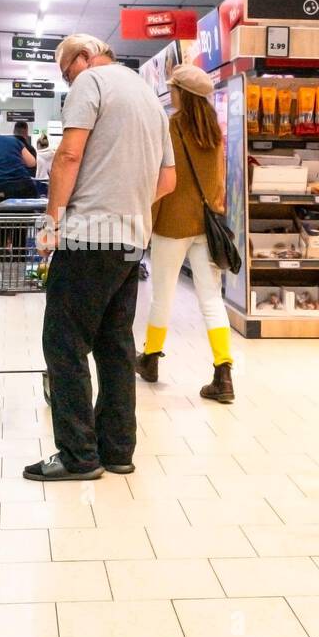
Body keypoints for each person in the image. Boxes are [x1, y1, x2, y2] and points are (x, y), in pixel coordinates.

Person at [24, 34, 176, 482]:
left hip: (87, 239)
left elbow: (69, 155)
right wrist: (126, 202)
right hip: (131, 242)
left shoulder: (90, 84)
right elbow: (168, 180)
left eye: (66, 71)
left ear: (85, 57)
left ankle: (78, 455)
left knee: (64, 344)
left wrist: (51, 224)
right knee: (114, 346)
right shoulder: (149, 97)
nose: (68, 80)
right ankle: (117, 451)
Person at [136, 64, 234, 403]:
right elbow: (219, 183)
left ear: (182, 94)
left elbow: (161, 181)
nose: (170, 93)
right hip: (207, 226)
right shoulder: (215, 133)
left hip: (172, 225)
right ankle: (223, 373)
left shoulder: (170, 127)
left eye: (173, 89)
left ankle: (150, 359)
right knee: (211, 299)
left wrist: (148, 224)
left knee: (162, 295)